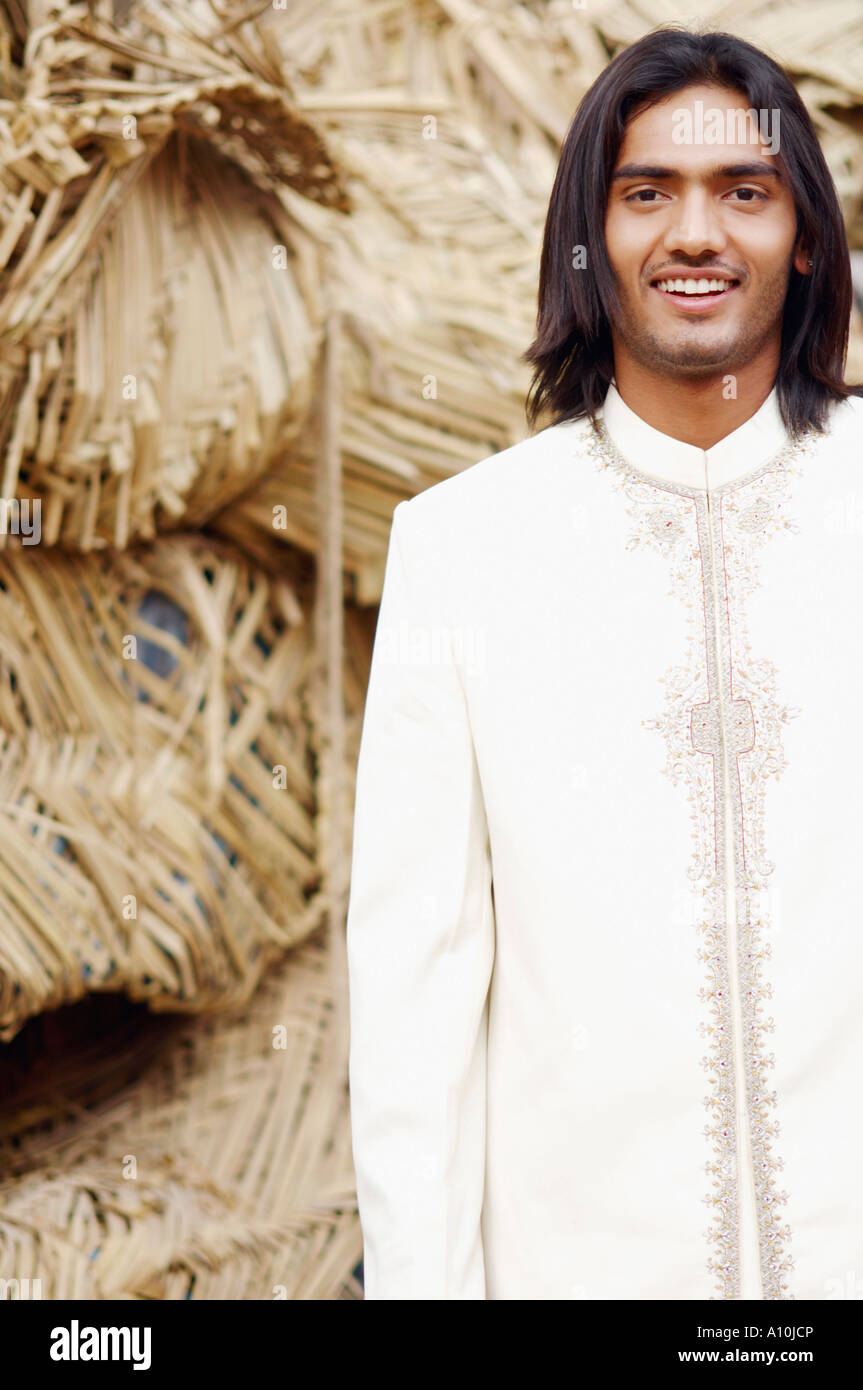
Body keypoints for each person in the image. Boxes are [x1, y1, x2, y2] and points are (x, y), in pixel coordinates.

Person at [345, 25, 863, 1300]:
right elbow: (414, 1018)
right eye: (647, 194)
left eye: (742, 191)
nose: (696, 233)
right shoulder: (462, 549)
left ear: (803, 235)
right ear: (590, 239)